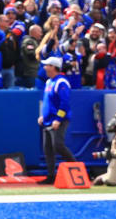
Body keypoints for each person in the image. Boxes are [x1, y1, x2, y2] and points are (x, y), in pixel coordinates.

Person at [38, 56, 74, 184]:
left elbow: (64, 103)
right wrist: (42, 115)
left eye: (47, 65)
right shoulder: (49, 82)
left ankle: (75, 166)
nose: (44, 67)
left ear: (53, 67)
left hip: (58, 121)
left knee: (58, 145)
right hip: (48, 120)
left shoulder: (61, 82)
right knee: (47, 148)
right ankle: (51, 175)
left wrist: (58, 119)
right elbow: (47, 101)